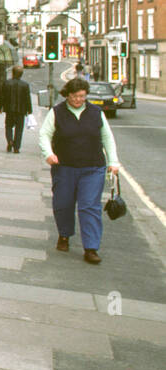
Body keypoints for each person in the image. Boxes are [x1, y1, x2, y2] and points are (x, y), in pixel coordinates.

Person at [38, 77, 121, 265]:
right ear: (67, 95)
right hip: (64, 167)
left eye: (82, 96)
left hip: (93, 168)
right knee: (63, 204)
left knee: (89, 206)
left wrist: (114, 162)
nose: (78, 100)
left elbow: (107, 138)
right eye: (74, 96)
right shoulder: (57, 112)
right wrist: (48, 154)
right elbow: (44, 134)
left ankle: (91, 248)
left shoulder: (96, 112)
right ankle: (64, 235)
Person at [0, 65, 33, 153]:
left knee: (8, 126)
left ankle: (9, 140)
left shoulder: (6, 83)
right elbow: (27, 98)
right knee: (19, 129)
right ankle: (16, 148)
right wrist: (29, 110)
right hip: (21, 111)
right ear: (21, 74)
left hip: (9, 110)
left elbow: (2, 97)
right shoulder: (25, 85)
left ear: (12, 73)